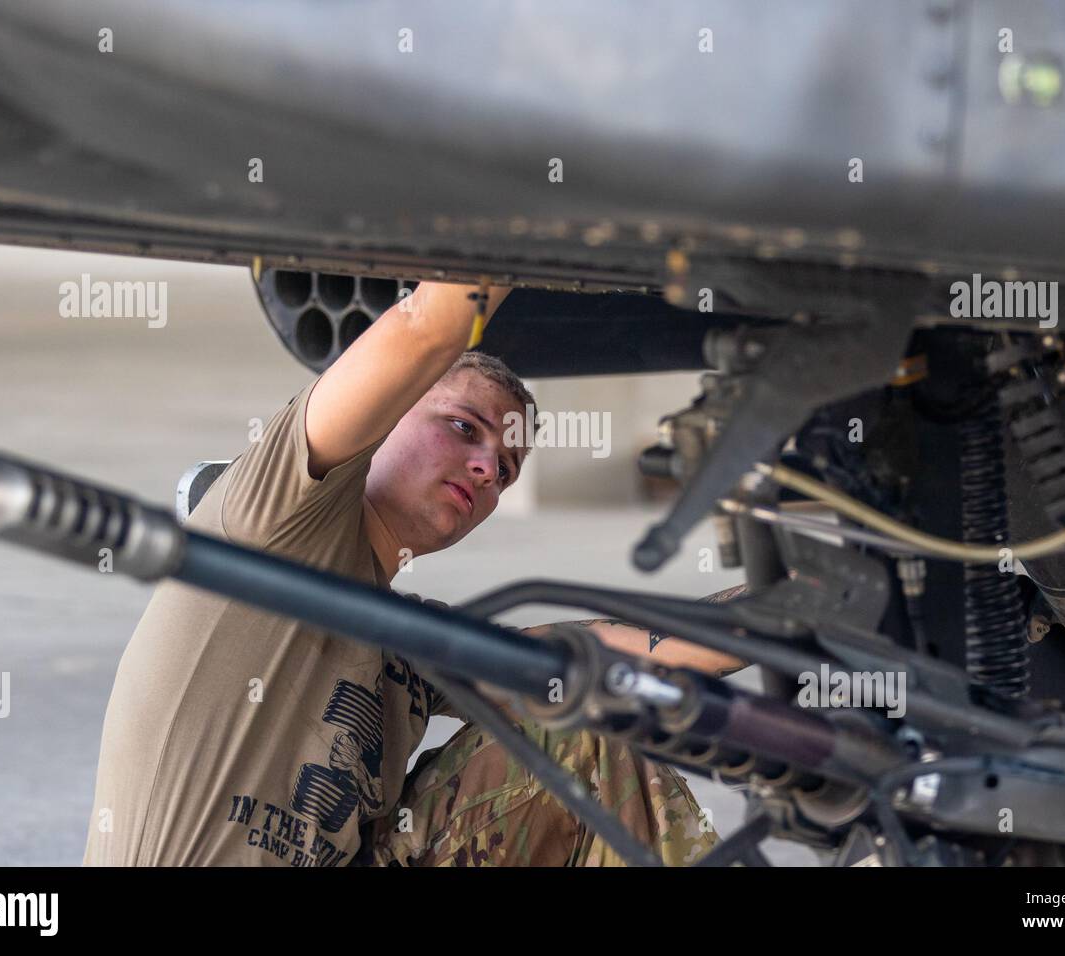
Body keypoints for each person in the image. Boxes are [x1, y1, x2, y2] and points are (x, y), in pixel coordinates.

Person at [84, 281, 746, 867]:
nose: (489, 469)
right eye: (464, 427)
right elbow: (426, 327)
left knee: (583, 720)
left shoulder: (400, 639)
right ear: (383, 419)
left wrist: (792, 612)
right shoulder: (271, 521)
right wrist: (516, 213)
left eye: (505, 468)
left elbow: (585, 654)